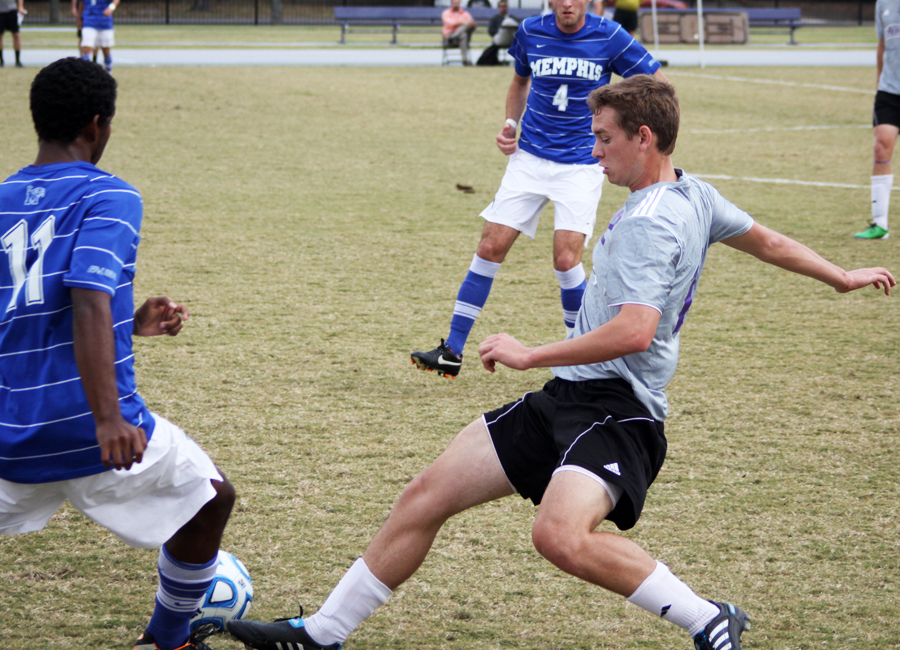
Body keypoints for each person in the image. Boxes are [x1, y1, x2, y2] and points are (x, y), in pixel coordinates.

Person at [227, 76, 895, 650]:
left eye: (604, 137)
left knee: (559, 536)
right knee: (426, 495)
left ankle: (708, 618)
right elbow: (767, 240)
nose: (594, 149)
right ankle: (323, 632)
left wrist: (530, 353)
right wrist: (839, 276)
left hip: (618, 412)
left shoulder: (650, 223)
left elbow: (635, 331)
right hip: (569, 398)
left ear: (644, 138)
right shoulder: (694, 192)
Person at [0, 58, 236, 650]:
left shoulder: (2, 198)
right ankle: (167, 639)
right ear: (97, 125)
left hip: (8, 432)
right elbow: (87, 300)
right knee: (210, 498)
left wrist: (130, 325)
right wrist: (108, 417)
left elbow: (27, 314)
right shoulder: (109, 194)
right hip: (90, 430)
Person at [412, 0, 665, 378]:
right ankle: (452, 350)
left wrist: (627, 127)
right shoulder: (530, 31)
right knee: (489, 246)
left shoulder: (609, 35)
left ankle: (581, 361)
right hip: (528, 158)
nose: (567, 3)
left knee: (566, 259)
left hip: (580, 165)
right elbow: (519, 82)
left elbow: (657, 83)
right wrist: (510, 123)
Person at [858, 0, 900, 240]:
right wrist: (879, 84)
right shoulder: (884, 3)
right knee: (881, 146)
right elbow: (882, 45)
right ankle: (880, 224)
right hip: (889, 91)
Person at [79, 0, 118, 72]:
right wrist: (79, 20)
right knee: (86, 49)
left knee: (106, 51)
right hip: (89, 21)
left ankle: (108, 71)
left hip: (105, 23)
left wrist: (111, 8)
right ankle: (86, 73)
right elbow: (81, 4)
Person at [476, 0, 517, 66]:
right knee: (507, 22)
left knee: (510, 22)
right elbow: (491, 31)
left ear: (507, 7)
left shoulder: (512, 18)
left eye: (504, 6)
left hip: (511, 39)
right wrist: (500, 30)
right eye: (501, 6)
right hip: (500, 38)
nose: (503, 8)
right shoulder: (495, 19)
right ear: (498, 8)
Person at [442, 0, 477, 66]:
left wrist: (469, 24)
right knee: (464, 32)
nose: (456, 4)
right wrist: (463, 23)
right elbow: (452, 24)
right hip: (449, 38)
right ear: (451, 4)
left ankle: (454, 36)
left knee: (464, 32)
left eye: (457, 3)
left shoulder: (465, 13)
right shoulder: (446, 13)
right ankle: (465, 60)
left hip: (455, 39)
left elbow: (471, 23)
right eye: (454, 3)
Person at [0, 0, 25, 68]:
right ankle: (1, 61)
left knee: (16, 35)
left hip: (12, 10)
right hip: (1, 11)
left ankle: (18, 61)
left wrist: (20, 6)